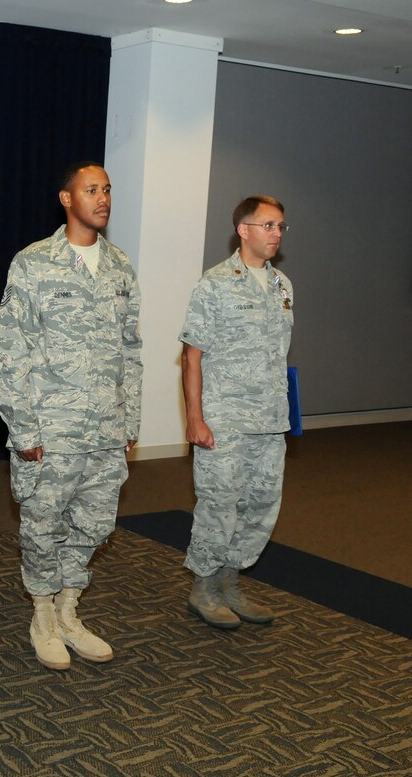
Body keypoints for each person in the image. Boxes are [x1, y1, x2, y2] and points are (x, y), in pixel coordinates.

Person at [0, 161, 142, 671]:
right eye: (91, 189)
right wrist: (23, 429)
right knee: (42, 525)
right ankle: (42, 615)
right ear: (65, 198)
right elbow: (10, 352)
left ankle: (69, 610)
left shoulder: (121, 266)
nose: (103, 198)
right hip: (50, 432)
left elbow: (132, 352)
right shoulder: (34, 263)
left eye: (107, 189)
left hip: (105, 430)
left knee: (94, 526)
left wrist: (130, 424)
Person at [179, 195, 293, 629]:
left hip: (269, 419)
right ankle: (203, 588)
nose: (276, 233)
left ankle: (231, 583)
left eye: (281, 226)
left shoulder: (284, 285)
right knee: (219, 504)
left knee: (260, 504)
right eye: (268, 225)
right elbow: (192, 357)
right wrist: (195, 418)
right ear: (243, 230)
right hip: (224, 419)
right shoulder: (215, 283)